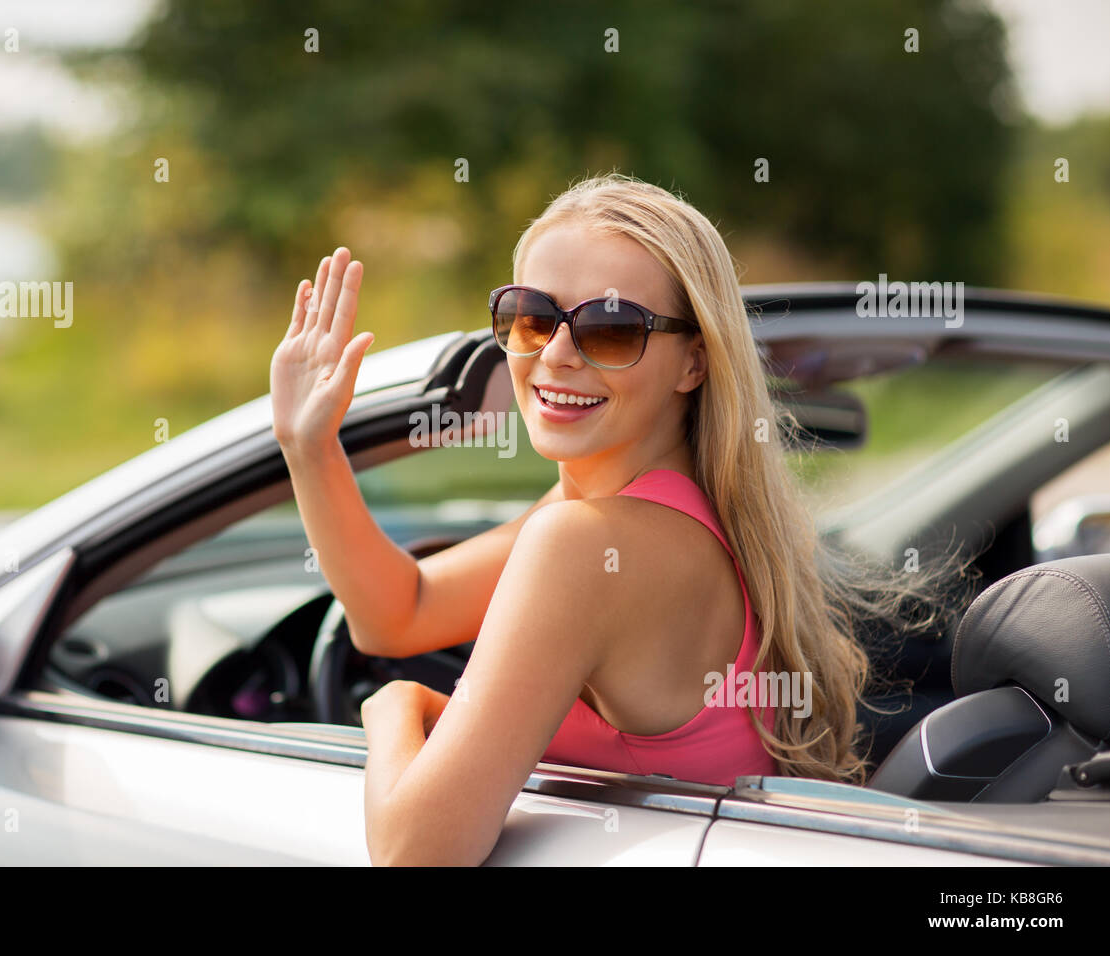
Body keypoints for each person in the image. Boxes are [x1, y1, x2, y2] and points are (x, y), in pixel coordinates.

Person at [269, 172, 970, 866]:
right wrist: (309, 446)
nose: (556, 354)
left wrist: (395, 705)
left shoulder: (589, 545)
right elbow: (401, 612)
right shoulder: (650, 513)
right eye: (531, 316)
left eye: (610, 329)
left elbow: (416, 851)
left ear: (694, 363)